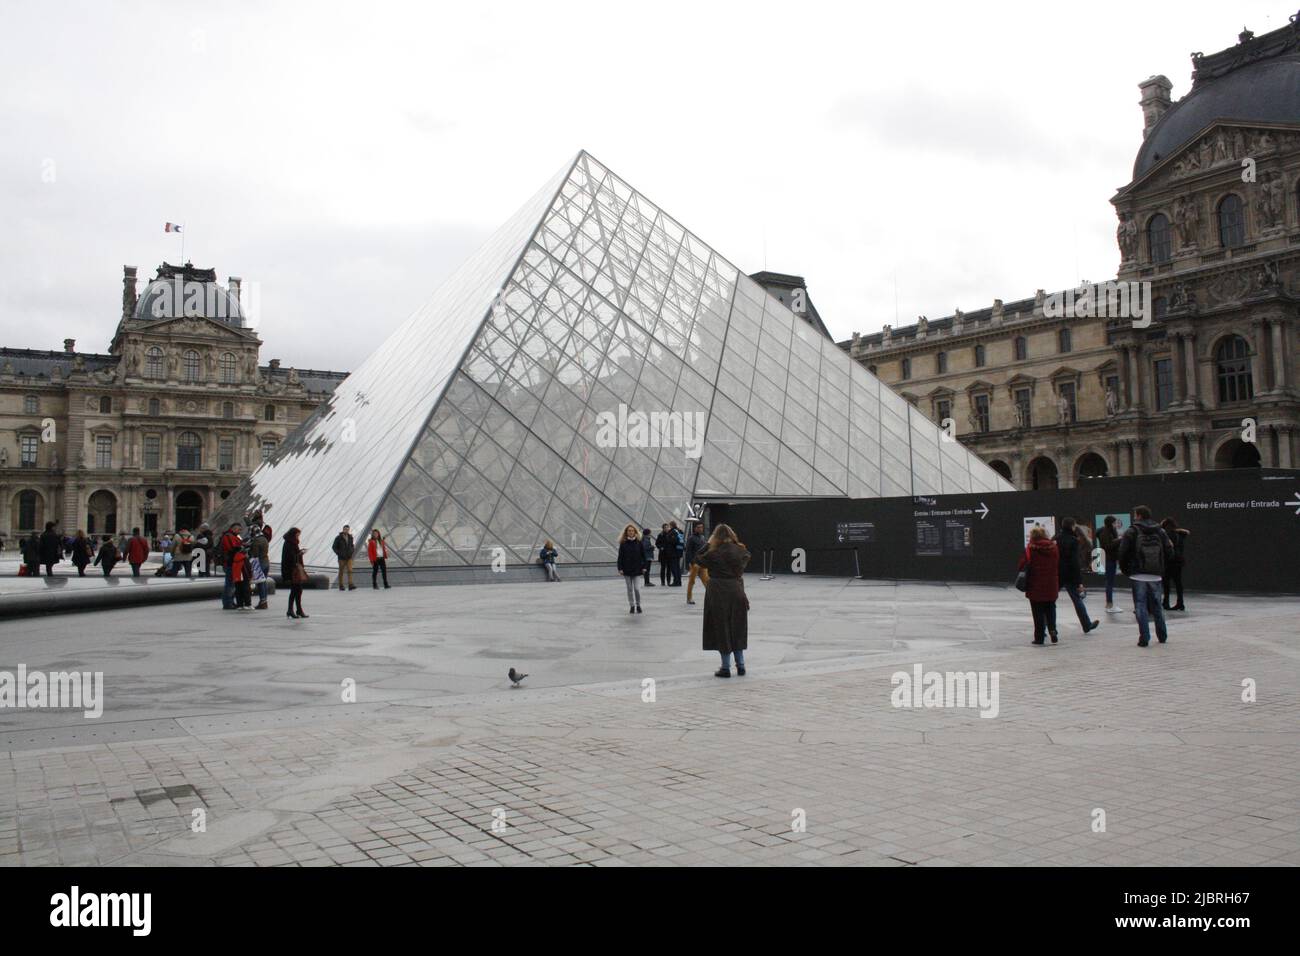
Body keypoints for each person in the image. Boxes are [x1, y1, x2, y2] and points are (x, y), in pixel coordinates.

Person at [694, 524, 750, 677]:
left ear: (716, 537)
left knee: (722, 627)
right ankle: (741, 665)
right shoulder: (740, 551)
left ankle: (725, 667)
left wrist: (707, 543)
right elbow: (745, 559)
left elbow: (697, 558)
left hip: (718, 591)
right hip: (737, 589)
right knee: (738, 626)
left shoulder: (713, 553)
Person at [1118, 505, 1175, 647]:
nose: (1134, 516)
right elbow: (1169, 550)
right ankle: (1162, 636)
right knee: (1157, 606)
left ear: (1139, 516)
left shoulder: (1132, 531)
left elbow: (1123, 552)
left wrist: (1127, 570)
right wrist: (1161, 567)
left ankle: (1144, 637)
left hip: (1138, 575)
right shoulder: (1160, 531)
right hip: (1156, 575)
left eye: (1135, 514)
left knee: (1140, 606)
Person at [1054, 517, 1099, 634]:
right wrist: (1079, 581)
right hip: (1070, 575)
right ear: (1073, 527)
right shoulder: (1074, 541)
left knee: (1049, 600)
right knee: (1077, 600)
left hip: (1057, 573)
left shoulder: (1056, 538)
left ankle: (1044, 627)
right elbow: (1074, 562)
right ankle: (1086, 624)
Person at [1018, 526, 1061, 645]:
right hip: (1051, 583)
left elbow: (1022, 565)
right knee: (1051, 608)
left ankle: (1039, 637)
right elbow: (1057, 562)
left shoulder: (1030, 548)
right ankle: (1052, 630)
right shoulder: (1054, 547)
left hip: (1035, 584)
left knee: (1037, 612)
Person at [1160, 518, 1190, 611]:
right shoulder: (1180, 534)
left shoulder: (1165, 536)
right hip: (1179, 561)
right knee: (1178, 583)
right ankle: (1180, 603)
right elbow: (1187, 532)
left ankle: (1166, 602)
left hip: (1168, 561)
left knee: (1166, 583)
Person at [616, 524, 644, 614]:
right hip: (626, 569)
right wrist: (620, 568)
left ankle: (638, 604)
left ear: (635, 532)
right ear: (626, 532)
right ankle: (632, 605)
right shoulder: (623, 543)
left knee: (636, 588)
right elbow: (620, 557)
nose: (631, 532)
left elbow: (643, 556)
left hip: (637, 569)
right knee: (629, 589)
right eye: (629, 531)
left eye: (632, 530)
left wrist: (644, 567)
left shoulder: (639, 543)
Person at [1097, 515, 1122, 613]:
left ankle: (1109, 603)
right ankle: (1109, 604)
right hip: (1109, 559)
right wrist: (1120, 540)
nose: (1116, 525)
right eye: (1115, 523)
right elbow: (1108, 546)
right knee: (1109, 581)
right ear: (1111, 523)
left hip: (1109, 558)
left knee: (1109, 581)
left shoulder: (1108, 531)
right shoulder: (1105, 533)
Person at [281, 527, 308, 619]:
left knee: (297, 590)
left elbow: (293, 555)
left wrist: (299, 553)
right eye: (297, 534)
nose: (298, 536)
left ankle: (296, 610)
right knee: (295, 590)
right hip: (292, 571)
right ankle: (292, 610)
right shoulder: (289, 543)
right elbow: (290, 557)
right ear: (293, 534)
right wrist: (299, 554)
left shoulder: (292, 542)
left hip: (294, 570)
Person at [218, 523, 243, 608]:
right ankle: (227, 603)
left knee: (232, 583)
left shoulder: (231, 536)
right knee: (229, 584)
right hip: (230, 563)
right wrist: (241, 547)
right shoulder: (228, 536)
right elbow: (232, 548)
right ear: (234, 528)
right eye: (239, 529)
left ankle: (230, 601)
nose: (240, 532)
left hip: (232, 562)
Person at [684, 522, 709, 605]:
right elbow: (688, 551)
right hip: (695, 563)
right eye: (698, 527)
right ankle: (689, 598)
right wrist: (691, 563)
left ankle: (711, 597)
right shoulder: (691, 538)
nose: (700, 529)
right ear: (695, 528)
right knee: (692, 581)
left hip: (702, 563)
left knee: (707, 581)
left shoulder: (702, 537)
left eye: (701, 527)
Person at [332, 524, 356, 591]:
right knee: (341, 572)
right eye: (345, 529)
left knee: (350, 570)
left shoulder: (351, 537)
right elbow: (334, 547)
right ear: (343, 529)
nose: (346, 530)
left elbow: (352, 546)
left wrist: (352, 551)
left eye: (347, 529)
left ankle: (350, 584)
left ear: (349, 530)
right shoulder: (338, 538)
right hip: (341, 558)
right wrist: (339, 553)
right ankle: (341, 585)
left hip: (349, 557)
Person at [667, 521, 684, 586]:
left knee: (674, 567)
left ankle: (676, 581)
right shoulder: (679, 531)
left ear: (671, 525)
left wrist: (668, 538)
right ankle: (679, 581)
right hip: (679, 551)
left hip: (673, 552)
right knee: (677, 567)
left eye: (669, 526)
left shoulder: (673, 532)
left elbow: (673, 541)